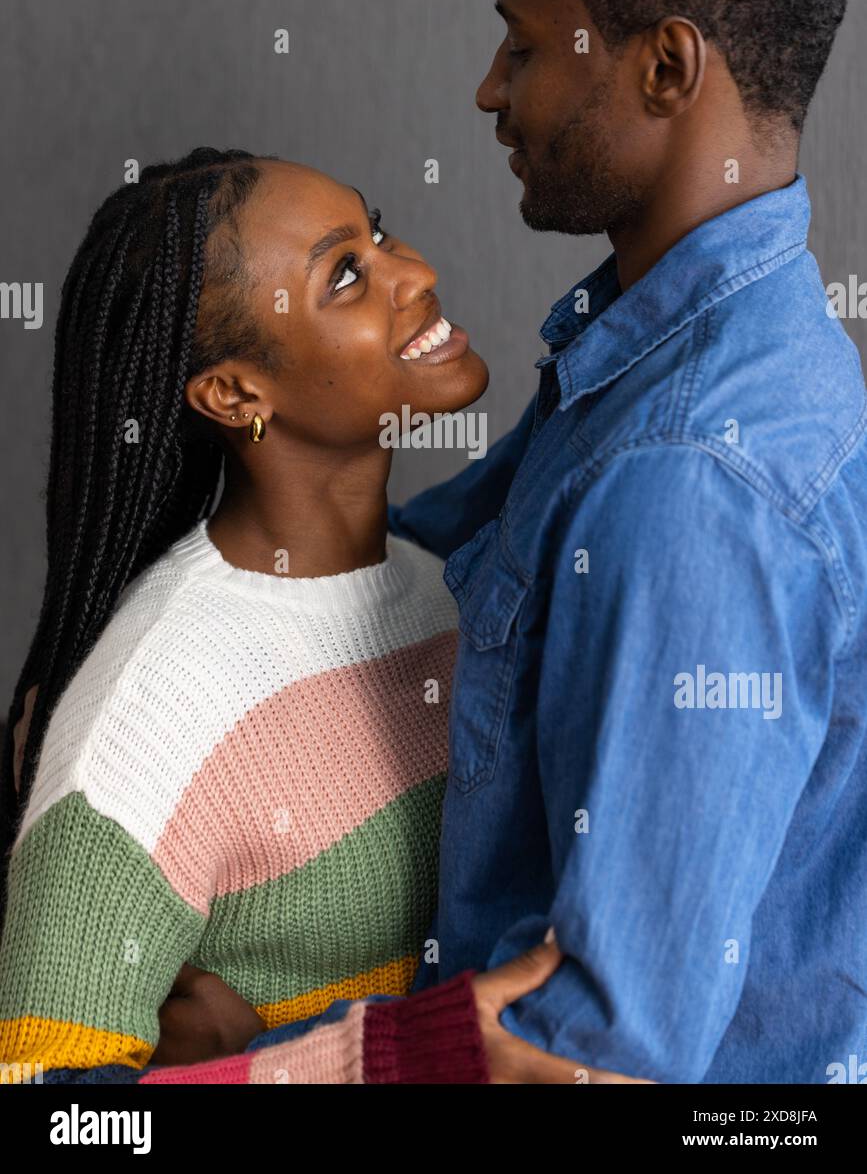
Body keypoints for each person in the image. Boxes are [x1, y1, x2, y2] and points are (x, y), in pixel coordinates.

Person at [385, 0, 866, 1085]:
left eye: (524, 45)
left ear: (665, 69)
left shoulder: (691, 484)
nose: (491, 90)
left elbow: (596, 1057)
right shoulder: (703, 364)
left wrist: (273, 1061)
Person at [0, 147, 584, 1084]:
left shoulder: (447, 589)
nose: (416, 273)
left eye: (380, 230)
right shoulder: (146, 716)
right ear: (236, 394)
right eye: (345, 274)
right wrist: (357, 1061)